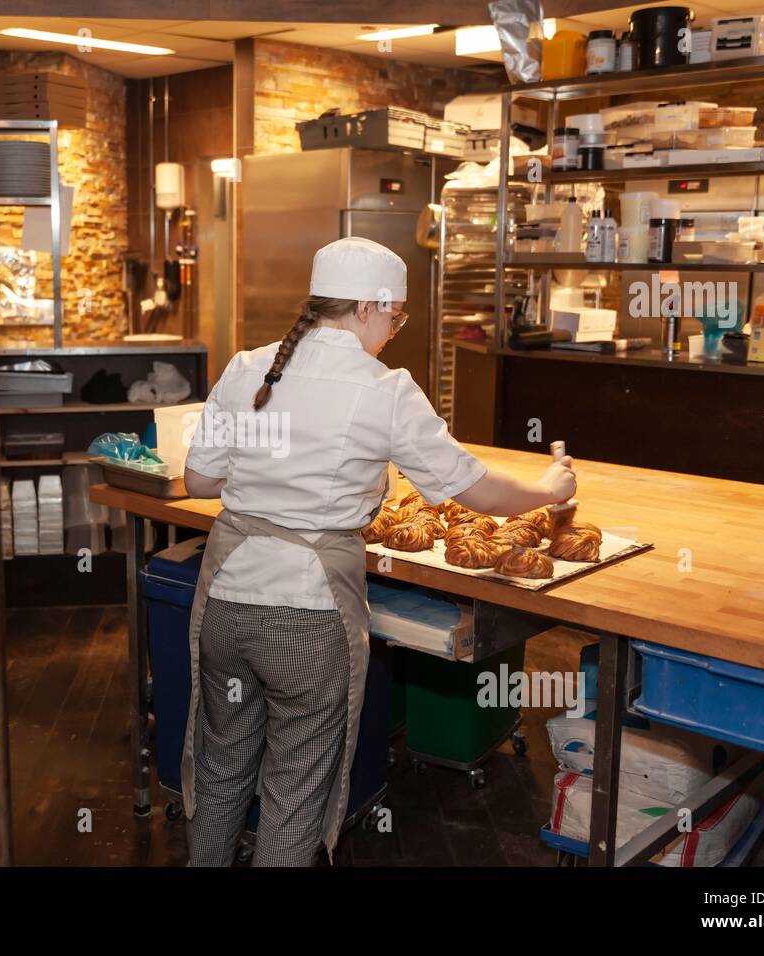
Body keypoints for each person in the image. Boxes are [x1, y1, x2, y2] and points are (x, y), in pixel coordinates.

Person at [181, 237, 576, 866]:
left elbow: (199, 481)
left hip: (226, 602)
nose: (393, 333)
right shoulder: (385, 389)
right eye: (395, 317)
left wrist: (270, 475)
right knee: (294, 789)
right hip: (306, 617)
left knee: (222, 764)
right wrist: (548, 489)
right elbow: (470, 488)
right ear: (367, 307)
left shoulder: (246, 367)